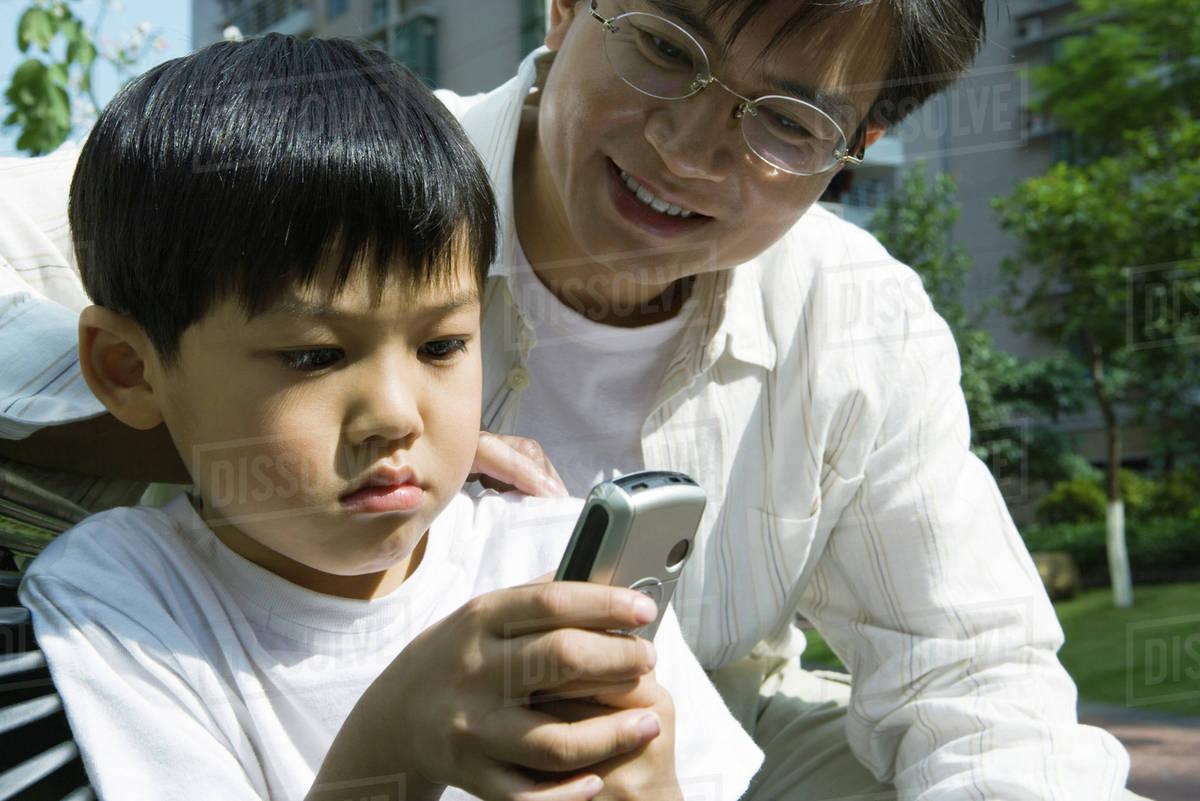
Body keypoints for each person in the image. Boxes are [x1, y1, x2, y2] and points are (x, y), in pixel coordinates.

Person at [0, 1, 1144, 799]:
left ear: (853, 151)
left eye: (789, 123)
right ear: (566, 5)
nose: (694, 148)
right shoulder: (331, 178)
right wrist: (203, 432)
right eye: (664, 45)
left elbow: (971, 678)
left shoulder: (860, 316)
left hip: (714, 732)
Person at [15, 34, 763, 801]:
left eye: (441, 345)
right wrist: (395, 743)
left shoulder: (553, 561)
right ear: (129, 369)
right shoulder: (123, 601)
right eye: (313, 356)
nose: (396, 415)